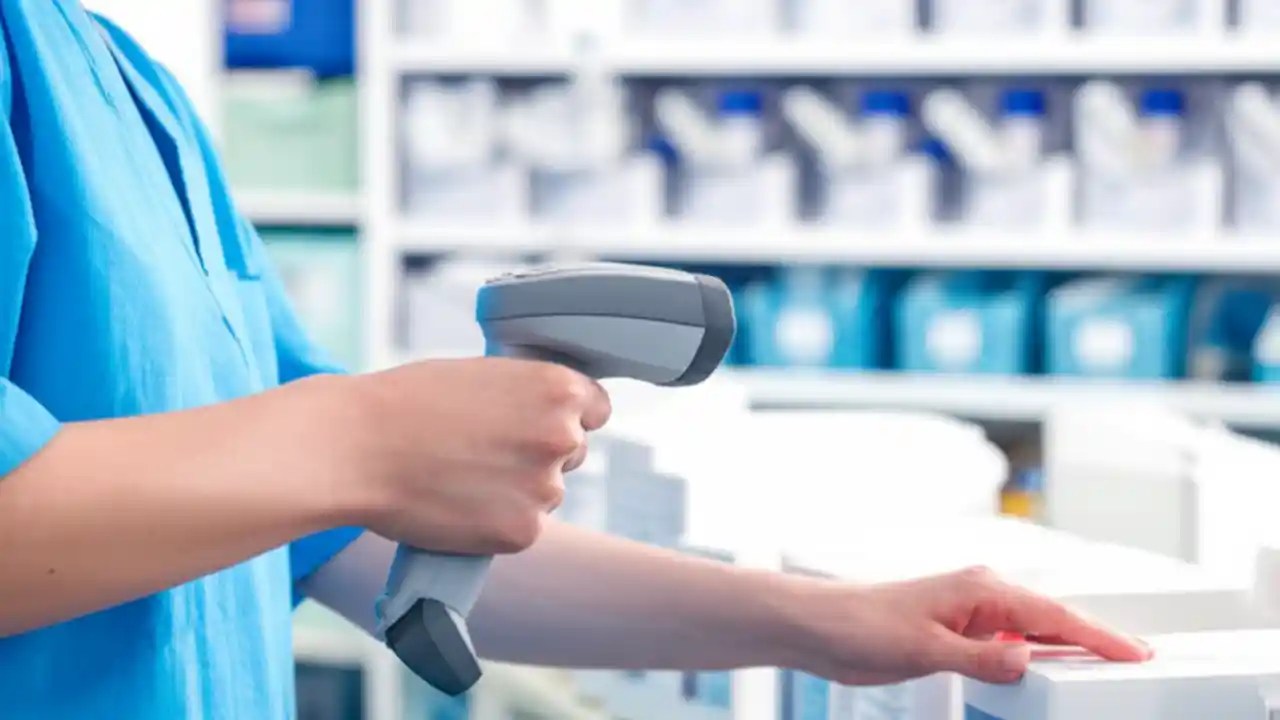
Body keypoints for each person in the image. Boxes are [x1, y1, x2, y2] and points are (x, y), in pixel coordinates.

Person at [0, 2, 1149, 717]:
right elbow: (326, 474)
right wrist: (366, 441)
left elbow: (328, 534)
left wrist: (823, 622)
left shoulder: (120, 77)